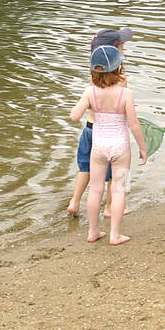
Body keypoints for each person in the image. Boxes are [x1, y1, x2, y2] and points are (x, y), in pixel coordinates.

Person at [68, 45, 146, 245]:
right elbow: (134, 124)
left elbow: (74, 116)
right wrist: (143, 149)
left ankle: (93, 231)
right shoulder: (125, 93)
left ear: (93, 70)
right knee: (118, 189)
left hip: (99, 146)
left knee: (95, 190)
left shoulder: (90, 92)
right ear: (119, 68)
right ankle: (115, 235)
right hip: (120, 146)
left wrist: (84, 104)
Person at [67, 27, 133, 217]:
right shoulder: (121, 80)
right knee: (113, 172)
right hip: (107, 133)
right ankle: (109, 208)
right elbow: (120, 110)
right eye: (121, 47)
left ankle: (75, 201)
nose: (124, 51)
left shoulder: (93, 79)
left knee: (85, 168)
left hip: (89, 129)